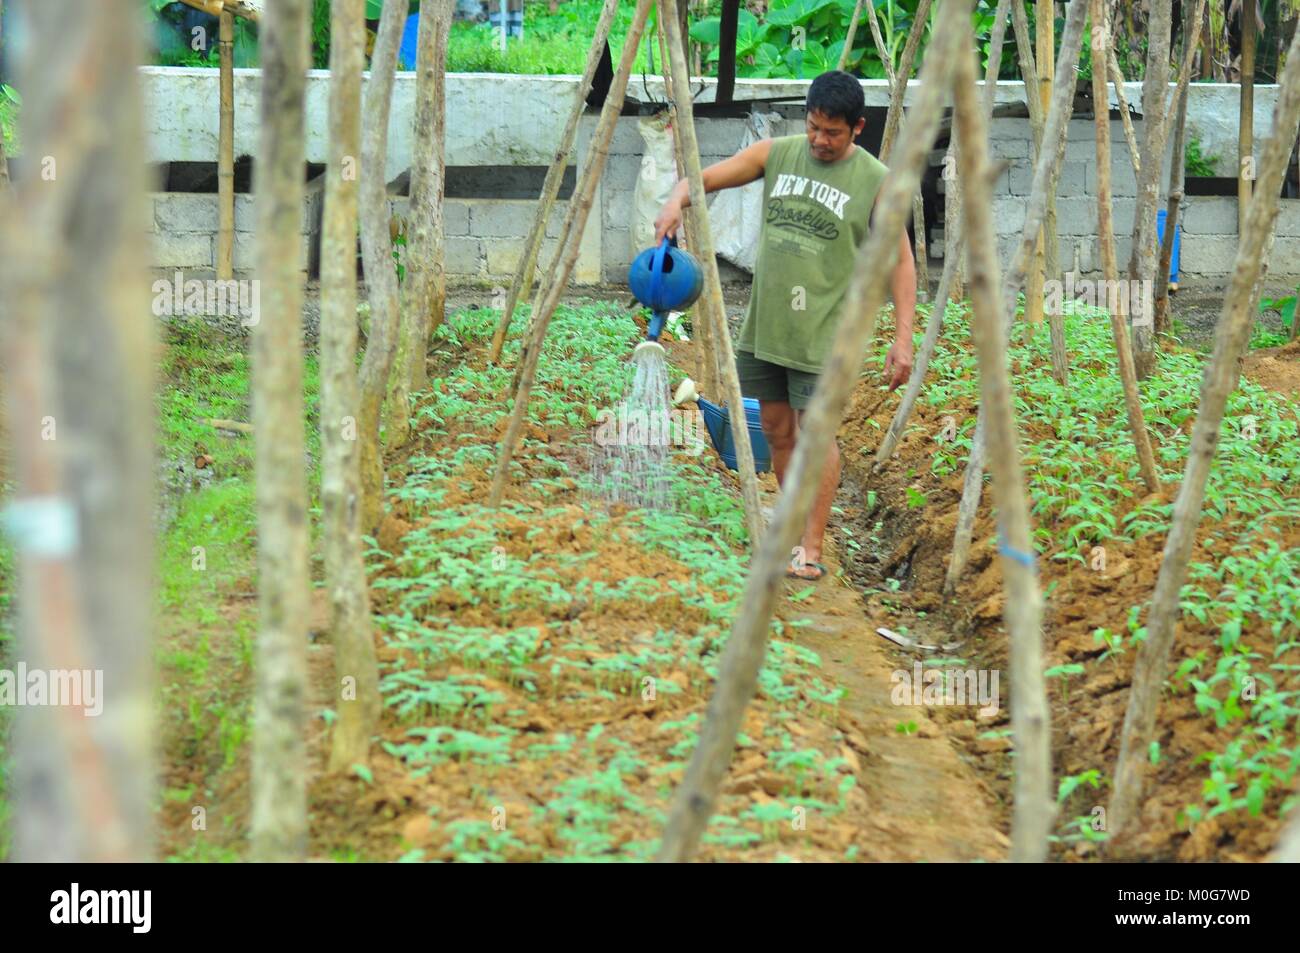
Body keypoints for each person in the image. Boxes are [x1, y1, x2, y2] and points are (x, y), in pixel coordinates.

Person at [653, 70, 917, 581]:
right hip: (768, 325)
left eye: (832, 132)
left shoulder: (875, 182)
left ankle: (812, 547)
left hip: (828, 334)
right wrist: (674, 200)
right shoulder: (778, 153)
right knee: (777, 430)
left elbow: (901, 261)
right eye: (814, 127)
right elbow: (707, 178)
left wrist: (903, 339)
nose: (819, 139)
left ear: (858, 128)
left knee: (816, 435)